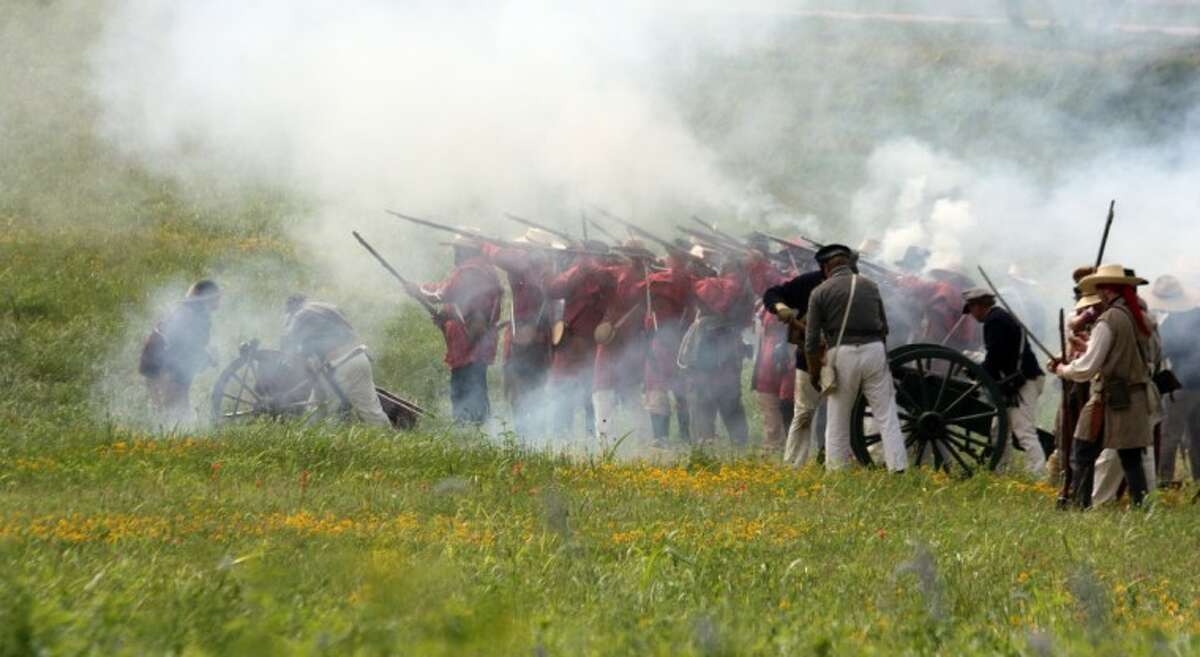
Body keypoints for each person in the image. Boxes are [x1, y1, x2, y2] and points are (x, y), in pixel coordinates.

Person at [1050, 265, 1153, 508]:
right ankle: (1142, 508)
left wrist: (1063, 370)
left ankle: (1078, 505)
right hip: (1132, 395)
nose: (1098, 293)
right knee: (1130, 458)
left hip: (1112, 395)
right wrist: (1086, 350)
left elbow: (1086, 368)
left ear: (1108, 291)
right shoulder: (1137, 317)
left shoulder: (1109, 319)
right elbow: (1118, 354)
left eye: (1101, 288)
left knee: (1082, 451)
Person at [805, 245, 907, 472]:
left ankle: (836, 471)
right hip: (874, 349)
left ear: (826, 268)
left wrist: (814, 373)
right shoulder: (870, 286)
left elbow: (811, 341)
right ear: (848, 264)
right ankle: (898, 468)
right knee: (887, 415)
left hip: (842, 352)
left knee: (838, 417)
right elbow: (884, 327)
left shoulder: (820, 292)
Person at [412, 235, 503, 424]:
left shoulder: (470, 271)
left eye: (458, 249)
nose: (456, 253)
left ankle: (471, 435)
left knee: (466, 392)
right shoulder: (480, 269)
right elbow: (464, 300)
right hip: (474, 341)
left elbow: (443, 294)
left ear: (466, 250)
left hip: (469, 343)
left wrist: (418, 290)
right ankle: (477, 432)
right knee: (474, 388)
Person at [961, 288, 1046, 476]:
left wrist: (978, 373)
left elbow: (995, 358)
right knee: (999, 429)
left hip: (1024, 381)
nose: (972, 316)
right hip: (1015, 382)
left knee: (1023, 431)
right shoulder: (997, 318)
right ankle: (1000, 471)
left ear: (979, 306)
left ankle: (1038, 476)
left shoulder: (995, 321)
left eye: (971, 309)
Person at [481, 229, 556, 437]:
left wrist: (485, 244)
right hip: (534, 335)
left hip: (528, 339)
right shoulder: (544, 264)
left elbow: (503, 257)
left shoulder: (530, 263)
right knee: (530, 390)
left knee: (522, 390)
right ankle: (532, 436)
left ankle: (528, 438)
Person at [544, 241, 615, 437]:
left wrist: (583, 266)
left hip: (577, 344)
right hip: (592, 344)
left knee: (565, 392)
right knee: (585, 394)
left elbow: (552, 289)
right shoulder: (604, 273)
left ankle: (565, 437)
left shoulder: (588, 273)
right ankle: (581, 436)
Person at [683, 249, 754, 447]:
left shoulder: (732, 283)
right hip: (718, 342)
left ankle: (719, 443)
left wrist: (700, 277)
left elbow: (714, 296)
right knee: (715, 396)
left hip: (717, 344)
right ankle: (715, 442)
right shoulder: (734, 282)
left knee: (715, 395)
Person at [283, 298, 391, 427]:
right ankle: (305, 437)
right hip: (357, 358)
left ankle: (327, 444)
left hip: (341, 365)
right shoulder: (323, 308)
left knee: (333, 413)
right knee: (317, 408)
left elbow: (294, 351)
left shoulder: (299, 316)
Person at [763, 267, 826, 466]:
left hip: (844, 354)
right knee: (804, 412)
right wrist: (780, 306)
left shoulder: (861, 286)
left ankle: (831, 458)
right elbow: (772, 294)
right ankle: (794, 463)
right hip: (810, 354)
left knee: (834, 411)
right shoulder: (811, 281)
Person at [592, 243, 654, 442]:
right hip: (632, 345)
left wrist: (590, 261)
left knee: (603, 394)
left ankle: (605, 444)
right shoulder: (648, 277)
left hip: (616, 344)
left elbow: (598, 275)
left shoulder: (625, 275)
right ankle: (644, 440)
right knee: (632, 396)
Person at [139, 279, 220, 424]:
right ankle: (172, 433)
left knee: (175, 403)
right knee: (172, 405)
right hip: (161, 363)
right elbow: (178, 345)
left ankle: (176, 430)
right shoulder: (188, 315)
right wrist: (206, 356)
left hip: (168, 362)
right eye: (216, 298)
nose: (218, 303)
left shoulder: (197, 314)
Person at [639, 248, 696, 447]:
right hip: (684, 339)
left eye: (668, 257)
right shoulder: (692, 278)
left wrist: (645, 269)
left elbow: (642, 286)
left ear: (674, 258)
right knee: (681, 390)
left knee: (657, 388)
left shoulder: (665, 280)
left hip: (664, 341)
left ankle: (661, 438)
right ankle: (685, 436)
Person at [1149, 274, 1200, 485]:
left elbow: (1159, 353)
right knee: (1197, 436)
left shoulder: (1171, 323)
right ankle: (1198, 479)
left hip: (1182, 384)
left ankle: (1164, 480)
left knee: (1170, 434)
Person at [747, 250, 797, 457]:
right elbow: (761, 286)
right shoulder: (774, 283)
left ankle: (791, 444)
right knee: (767, 396)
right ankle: (772, 443)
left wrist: (763, 266)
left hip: (789, 345)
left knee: (788, 399)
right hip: (769, 347)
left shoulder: (794, 280)